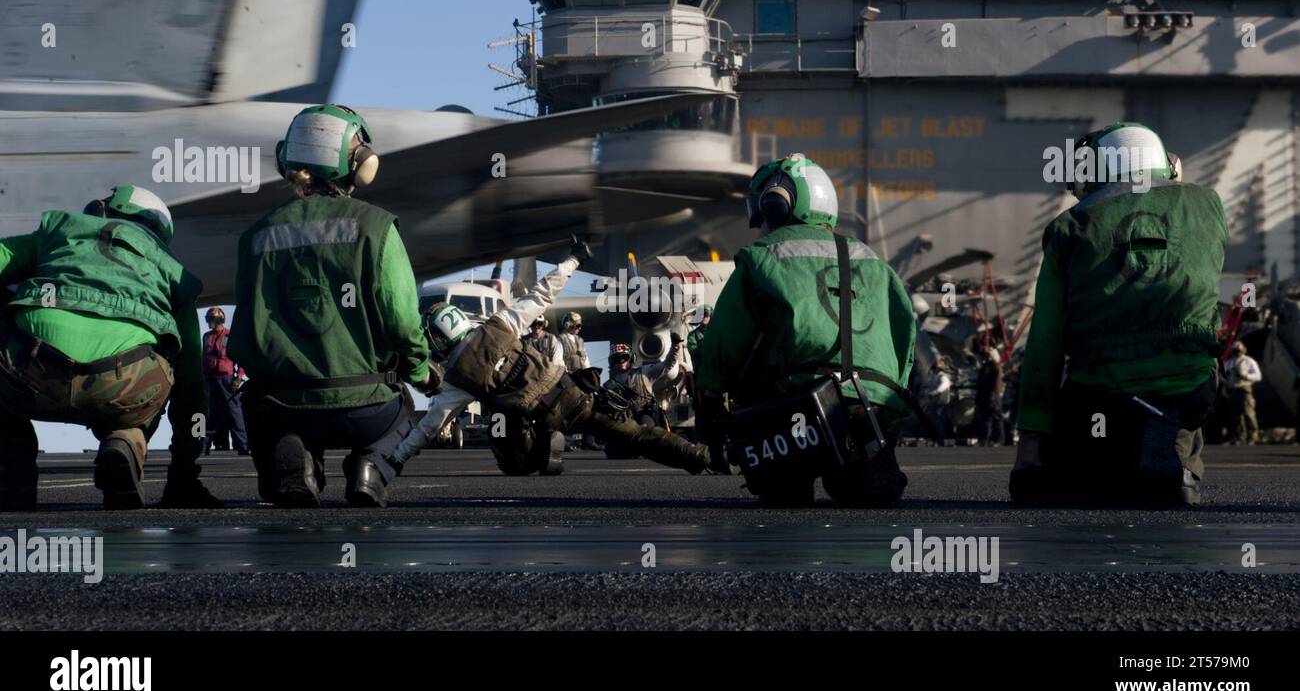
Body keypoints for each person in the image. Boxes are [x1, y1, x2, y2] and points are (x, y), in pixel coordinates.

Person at [1011, 122, 1227, 506]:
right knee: (1185, 378)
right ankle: (1181, 465)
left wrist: (1030, 447)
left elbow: (1045, 342)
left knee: (1075, 471)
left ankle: (1105, 465)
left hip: (1103, 389)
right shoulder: (1209, 206)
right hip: (1191, 388)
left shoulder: (1069, 227)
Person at [228, 103, 432, 509]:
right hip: (367, 407)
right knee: (406, 412)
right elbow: (404, 321)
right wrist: (421, 371)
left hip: (283, 405)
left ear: (287, 157)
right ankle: (371, 467)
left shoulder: (256, 236)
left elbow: (246, 333)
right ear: (356, 161)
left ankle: (295, 464)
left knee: (266, 411)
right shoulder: (377, 228)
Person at [695, 154, 916, 507]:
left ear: (777, 204)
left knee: (784, 493)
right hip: (873, 401)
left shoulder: (761, 257)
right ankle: (866, 464)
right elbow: (905, 334)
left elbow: (727, 339)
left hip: (795, 401)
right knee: (863, 491)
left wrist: (710, 396)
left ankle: (788, 475)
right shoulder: (873, 260)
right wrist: (890, 394)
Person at [388, 237, 709, 475]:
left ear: (438, 341)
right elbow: (542, 293)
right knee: (639, 437)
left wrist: (397, 457)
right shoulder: (501, 324)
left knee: (510, 443)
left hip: (540, 415)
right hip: (574, 395)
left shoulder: (458, 378)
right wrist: (574, 259)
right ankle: (700, 458)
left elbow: (429, 426)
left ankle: (543, 449)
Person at [0, 185, 219, 510]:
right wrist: (184, 476)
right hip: (125, 384)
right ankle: (127, 439)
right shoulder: (174, 271)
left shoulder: (62, 230)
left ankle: (11, 473)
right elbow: (192, 392)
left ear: (101, 210)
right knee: (170, 367)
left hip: (32, 373)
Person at [201, 306, 248, 455]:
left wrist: (239, 377)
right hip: (209, 380)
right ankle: (202, 446)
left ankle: (243, 446)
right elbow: (203, 358)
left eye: (210, 320)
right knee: (207, 413)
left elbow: (241, 359)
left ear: (218, 320)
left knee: (235, 413)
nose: (208, 323)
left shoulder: (230, 336)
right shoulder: (206, 336)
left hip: (226, 380)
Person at [1222, 341, 1261, 444]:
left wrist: (1246, 376)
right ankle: (1239, 437)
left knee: (1248, 413)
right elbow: (1222, 376)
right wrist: (1226, 384)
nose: (1237, 353)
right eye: (1235, 350)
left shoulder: (1249, 361)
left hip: (1244, 389)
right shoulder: (1228, 363)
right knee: (1235, 416)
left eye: (1239, 350)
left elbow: (1258, 376)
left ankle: (1253, 436)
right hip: (1232, 391)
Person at [974, 339, 1005, 446]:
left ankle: (999, 439)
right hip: (985, 395)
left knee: (996, 418)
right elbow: (981, 383)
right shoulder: (985, 367)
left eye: (987, 355)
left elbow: (997, 381)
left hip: (992, 395)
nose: (985, 356)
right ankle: (984, 439)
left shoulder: (995, 366)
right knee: (985, 418)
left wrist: (994, 393)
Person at [925, 360, 954, 445]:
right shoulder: (936, 377)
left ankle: (938, 439)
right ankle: (936, 438)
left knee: (939, 421)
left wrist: (932, 393)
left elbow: (942, 387)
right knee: (935, 421)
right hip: (936, 403)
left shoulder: (943, 377)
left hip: (941, 403)